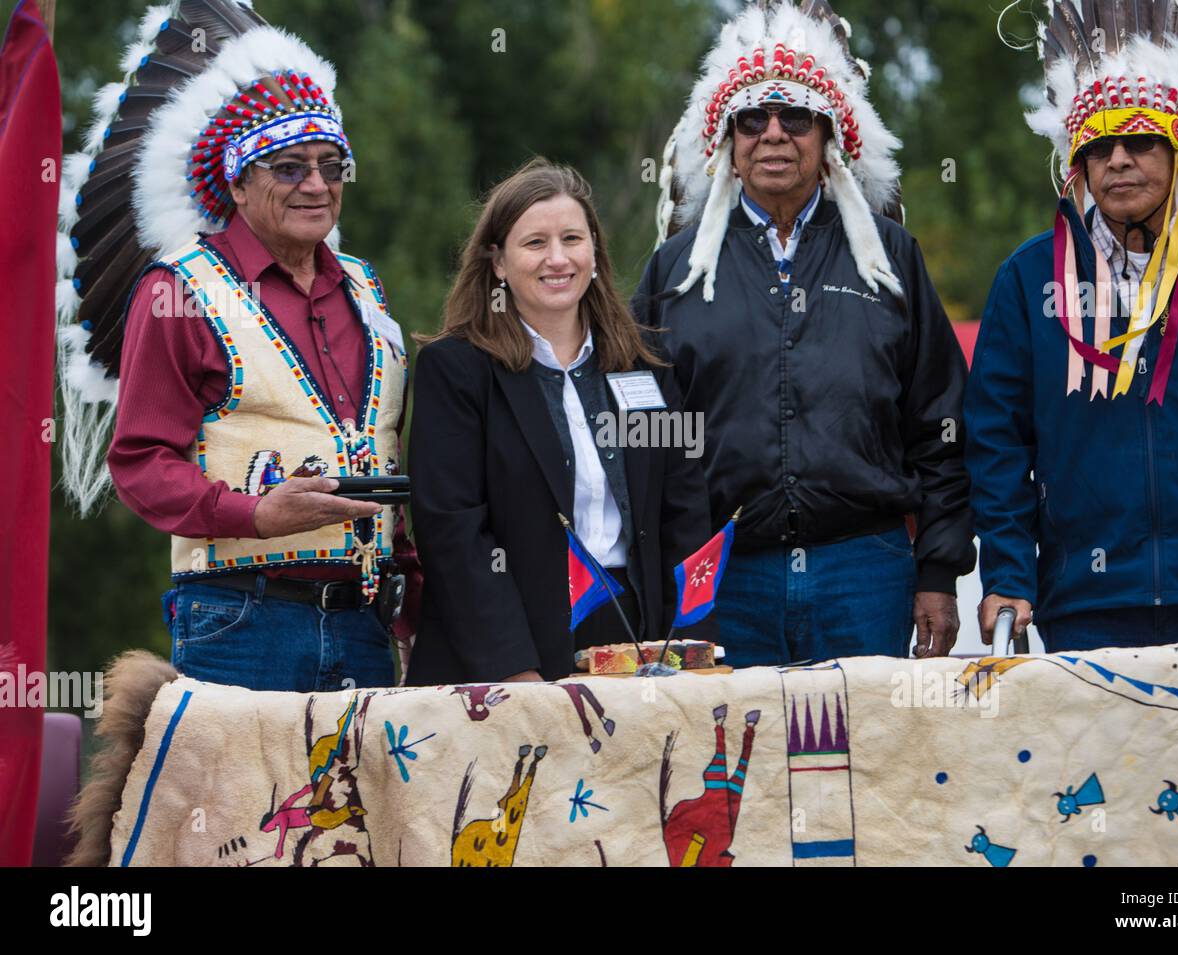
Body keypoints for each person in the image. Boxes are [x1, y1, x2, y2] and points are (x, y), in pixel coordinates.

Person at [58, 11, 419, 691]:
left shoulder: (366, 288)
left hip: (366, 620)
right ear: (237, 182)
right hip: (242, 617)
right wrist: (252, 515)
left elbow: (385, 445)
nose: (316, 184)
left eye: (331, 164)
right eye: (289, 167)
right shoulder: (182, 289)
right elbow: (140, 460)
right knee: (244, 804)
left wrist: (418, 592)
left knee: (358, 802)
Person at [965, 0, 1178, 679]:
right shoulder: (1029, 280)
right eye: (1098, 146)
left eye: (1141, 141)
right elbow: (997, 442)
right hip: (1086, 605)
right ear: (1076, 164)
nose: (1118, 160)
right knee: (1094, 788)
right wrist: (1007, 570)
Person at [636, 1, 975, 668]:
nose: (772, 134)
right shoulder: (674, 271)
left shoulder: (890, 257)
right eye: (750, 118)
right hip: (725, 573)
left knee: (865, 765)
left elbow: (938, 424)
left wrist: (938, 571)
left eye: (795, 116)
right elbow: (646, 430)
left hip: (865, 567)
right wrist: (675, 561)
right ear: (727, 140)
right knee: (736, 766)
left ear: (829, 135)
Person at [406, 159, 716, 684]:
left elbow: (682, 509)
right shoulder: (457, 370)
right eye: (534, 243)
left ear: (594, 251)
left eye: (572, 238)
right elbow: (453, 532)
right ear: (498, 262)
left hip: (636, 639)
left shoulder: (646, 365)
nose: (557, 258)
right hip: (509, 645)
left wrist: (680, 647)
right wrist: (515, 670)